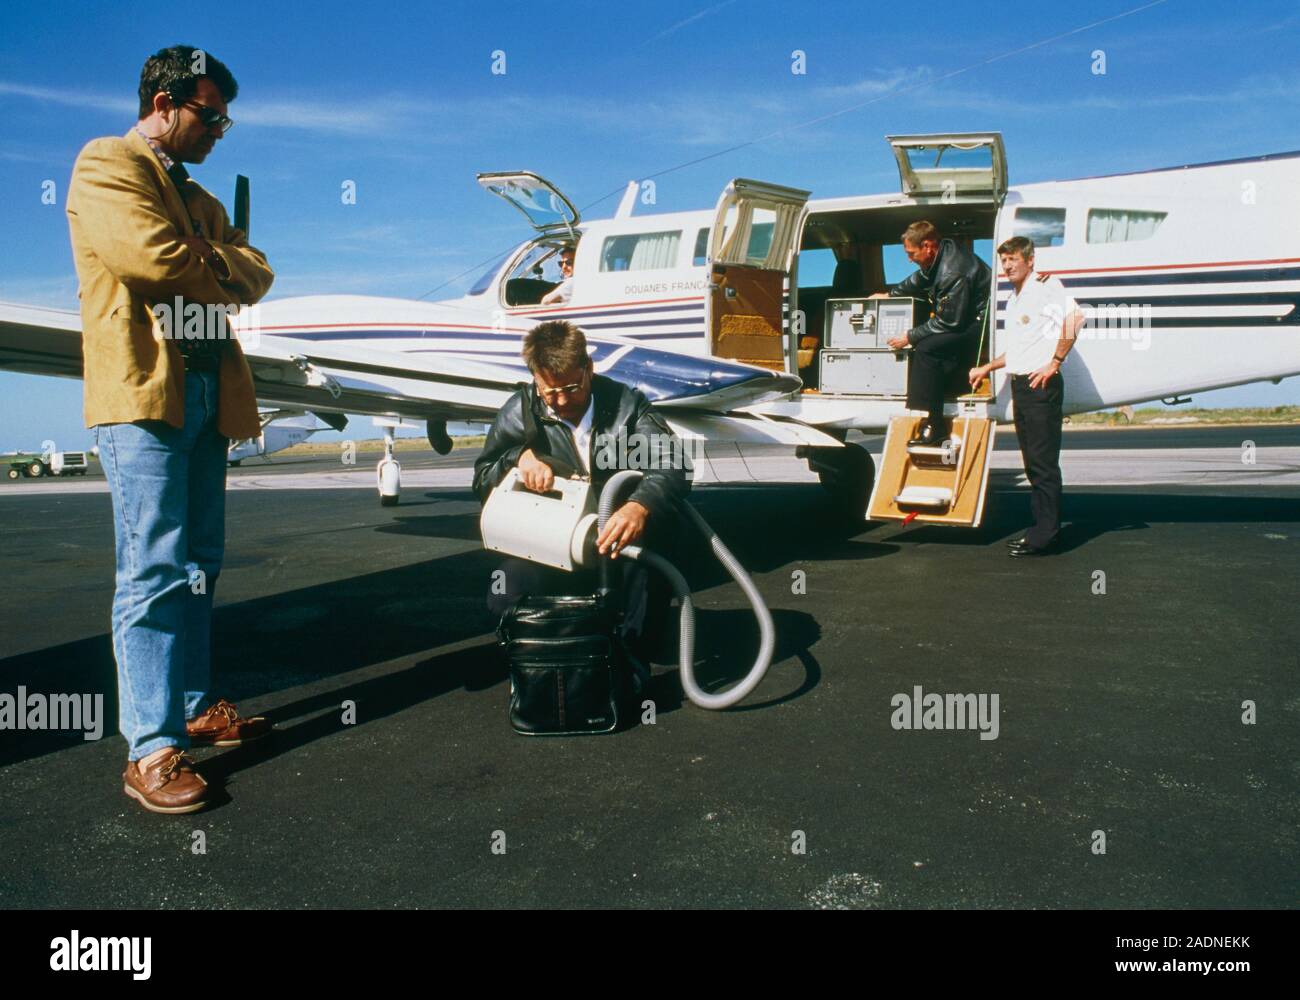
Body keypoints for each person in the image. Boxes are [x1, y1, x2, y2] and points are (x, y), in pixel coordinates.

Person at [66, 45, 275, 813]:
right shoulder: (106, 164)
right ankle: (151, 750)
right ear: (164, 103)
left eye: (225, 118)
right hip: (145, 397)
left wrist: (211, 259)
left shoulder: (202, 200)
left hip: (206, 394)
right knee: (152, 567)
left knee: (200, 562)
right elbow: (150, 259)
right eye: (209, 115)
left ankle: (191, 704)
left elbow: (258, 273)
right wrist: (215, 263)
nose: (221, 130)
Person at [474, 320, 690, 656]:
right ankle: (556, 660)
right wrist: (517, 459)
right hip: (549, 543)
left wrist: (639, 505)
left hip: (618, 542)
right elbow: (481, 476)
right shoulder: (518, 411)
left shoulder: (627, 406)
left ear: (589, 368)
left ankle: (631, 663)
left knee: (646, 571)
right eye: (550, 392)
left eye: (572, 387)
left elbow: (674, 464)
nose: (560, 401)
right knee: (505, 592)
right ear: (535, 378)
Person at [968, 236, 1086, 557]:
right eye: (1003, 261)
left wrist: (1055, 362)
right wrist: (987, 367)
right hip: (1022, 385)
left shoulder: (1045, 287)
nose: (1006, 266)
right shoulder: (1016, 298)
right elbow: (1019, 349)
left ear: (1030, 261)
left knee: (1043, 465)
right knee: (1033, 463)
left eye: (1013, 260)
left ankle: (1045, 537)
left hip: (1040, 387)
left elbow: (1076, 319)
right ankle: (1041, 530)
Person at [871, 221, 991, 447]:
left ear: (927, 246)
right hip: (964, 320)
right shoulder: (942, 254)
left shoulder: (953, 272)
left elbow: (948, 322)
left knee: (927, 348)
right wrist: (891, 294)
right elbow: (922, 277)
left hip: (979, 326)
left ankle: (935, 426)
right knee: (930, 343)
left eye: (911, 253)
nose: (909, 259)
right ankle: (949, 385)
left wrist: (910, 336)